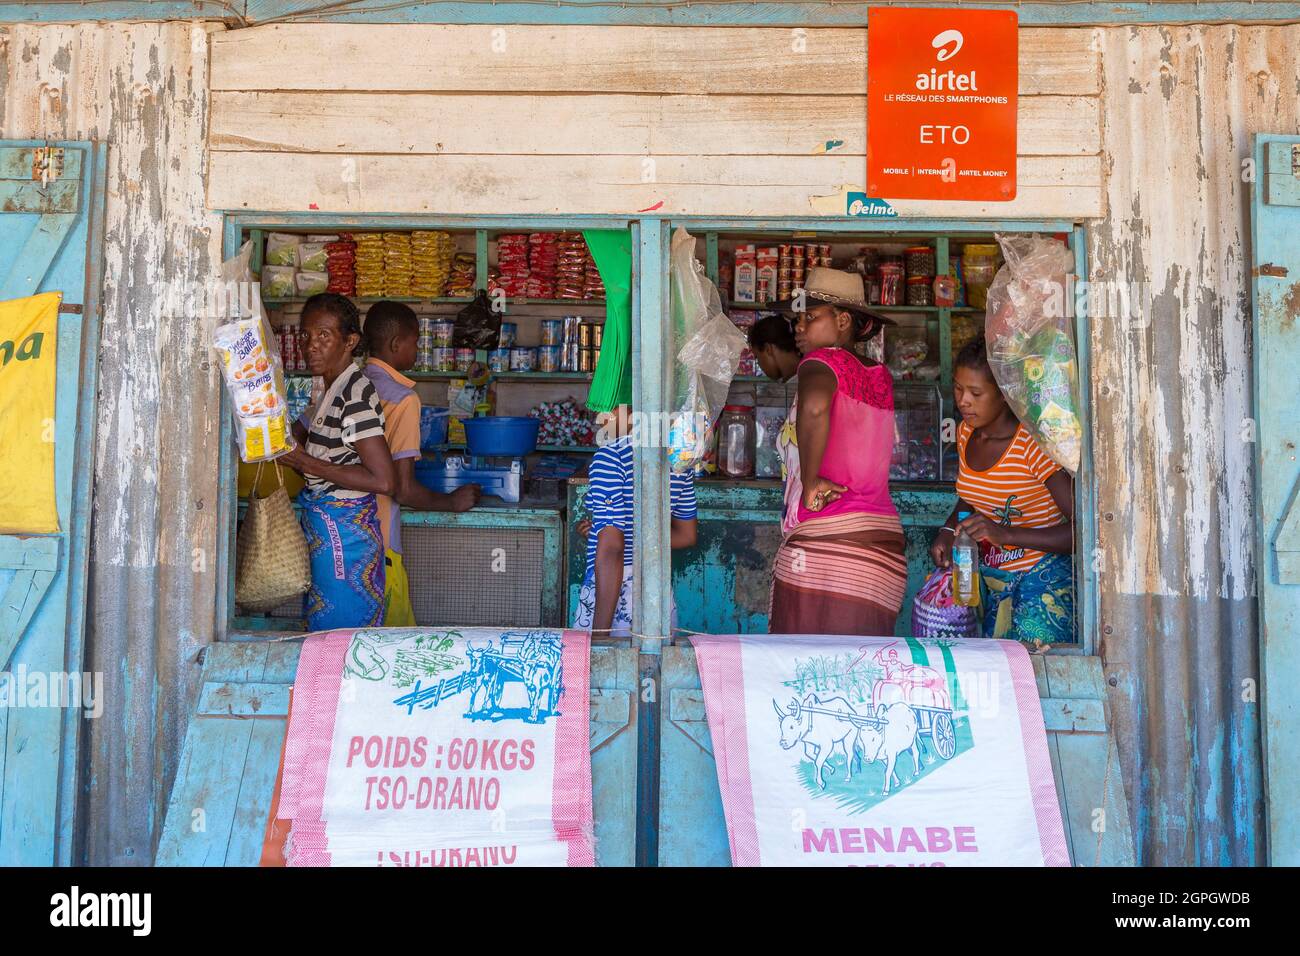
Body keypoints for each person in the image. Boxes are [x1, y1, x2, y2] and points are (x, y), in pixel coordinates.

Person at [768, 267, 906, 635]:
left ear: (843, 320)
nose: (799, 328)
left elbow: (814, 407)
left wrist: (812, 480)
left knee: (810, 676)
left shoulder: (820, 362)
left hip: (832, 543)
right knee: (864, 674)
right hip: (883, 545)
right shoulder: (878, 373)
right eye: (798, 319)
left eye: (810, 318)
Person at [929, 337, 1075, 643]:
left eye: (976, 393)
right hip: (994, 582)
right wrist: (947, 528)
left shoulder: (1032, 445)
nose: (963, 400)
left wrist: (1006, 535)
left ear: (1006, 394)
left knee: (1033, 681)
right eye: (958, 388)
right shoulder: (966, 433)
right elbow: (973, 496)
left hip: (1043, 587)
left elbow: (1084, 532)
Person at [361, 300, 481, 626]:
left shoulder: (348, 383)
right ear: (396, 344)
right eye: (415, 341)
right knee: (389, 648)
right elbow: (402, 489)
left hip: (341, 535)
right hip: (379, 543)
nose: (418, 349)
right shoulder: (402, 398)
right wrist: (451, 502)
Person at [280, 293, 394, 631]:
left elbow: (383, 480)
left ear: (350, 341)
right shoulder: (328, 390)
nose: (310, 345)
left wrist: (306, 463)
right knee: (327, 632)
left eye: (324, 336)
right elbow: (294, 434)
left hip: (347, 537)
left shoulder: (355, 394)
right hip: (329, 530)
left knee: (341, 637)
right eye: (306, 335)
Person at [573, 404, 698, 637]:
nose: (600, 420)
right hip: (657, 593)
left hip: (612, 599)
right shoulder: (678, 458)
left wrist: (601, 635)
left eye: (606, 410)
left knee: (602, 671)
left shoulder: (610, 456)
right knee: (657, 670)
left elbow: (612, 549)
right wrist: (612, 530)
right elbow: (686, 536)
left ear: (634, 410)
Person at [747, 312, 801, 382]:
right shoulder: (804, 375)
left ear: (768, 349)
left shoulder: (806, 382)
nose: (759, 364)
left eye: (757, 357)